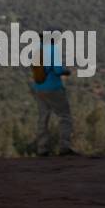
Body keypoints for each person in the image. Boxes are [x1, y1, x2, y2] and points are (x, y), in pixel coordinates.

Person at [29, 28, 76, 156]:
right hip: (54, 88)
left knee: (43, 118)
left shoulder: (37, 50)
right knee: (65, 116)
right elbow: (57, 70)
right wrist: (66, 71)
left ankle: (42, 149)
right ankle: (64, 147)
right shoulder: (52, 50)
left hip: (39, 88)